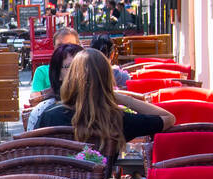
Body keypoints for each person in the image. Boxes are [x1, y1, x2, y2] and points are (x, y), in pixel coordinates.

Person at [37, 48, 174, 154]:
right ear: (107, 78)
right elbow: (169, 118)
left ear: (71, 77)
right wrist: (123, 98)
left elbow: (35, 152)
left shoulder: (49, 116)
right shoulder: (116, 119)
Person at [25, 43, 83, 131]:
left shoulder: (100, 109)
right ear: (58, 74)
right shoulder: (44, 112)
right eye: (70, 67)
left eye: (82, 66)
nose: (79, 72)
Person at [29, 26, 81, 102]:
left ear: (78, 46)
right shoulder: (43, 71)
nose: (64, 49)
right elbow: (33, 99)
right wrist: (55, 90)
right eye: (60, 46)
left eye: (69, 45)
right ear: (54, 47)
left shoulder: (85, 68)